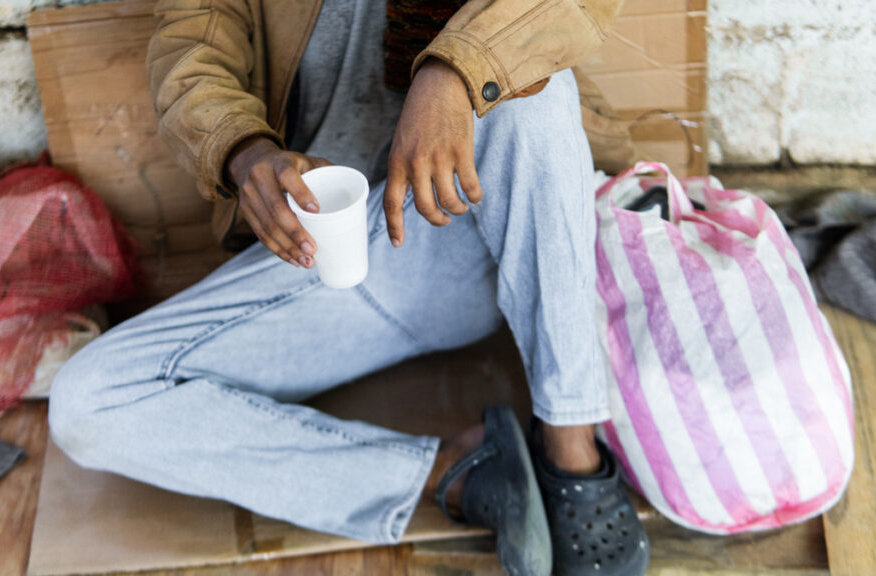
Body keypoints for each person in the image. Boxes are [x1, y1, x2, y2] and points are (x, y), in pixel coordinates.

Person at [48, 1, 649, 574]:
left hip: (493, 203)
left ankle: (572, 451)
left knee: (531, 96)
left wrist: (455, 72)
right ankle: (460, 472)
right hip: (336, 245)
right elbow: (190, 45)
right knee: (90, 402)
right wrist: (242, 149)